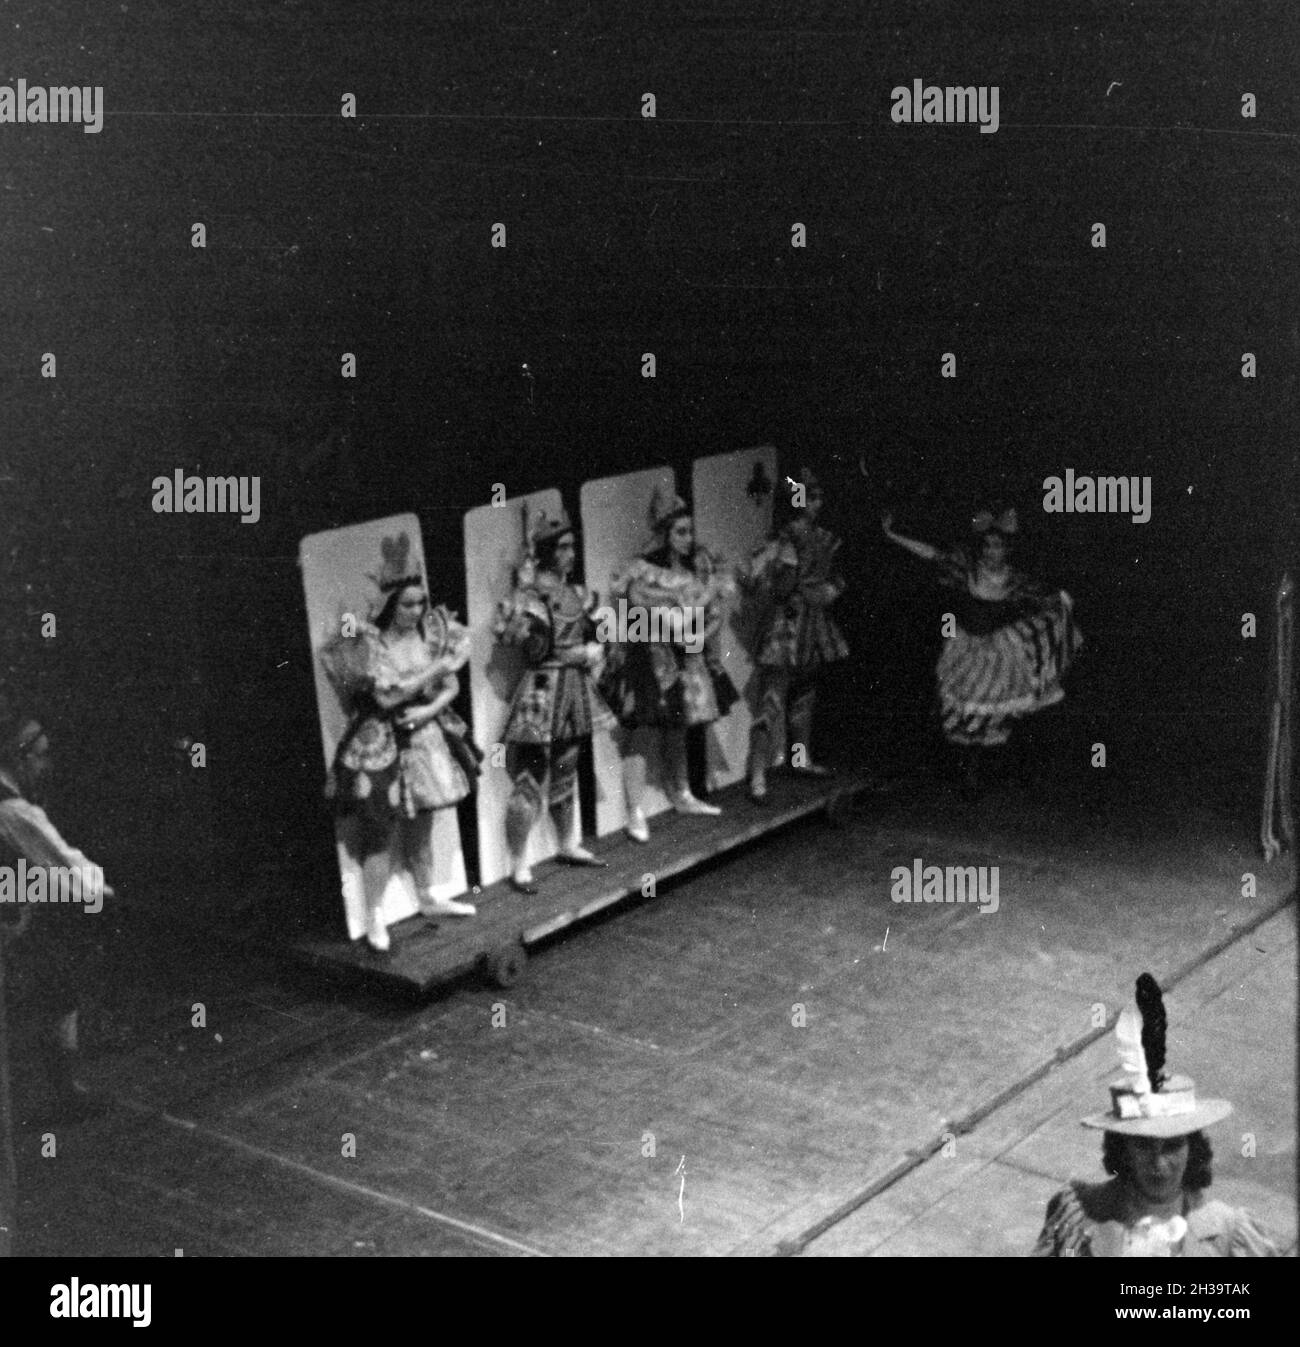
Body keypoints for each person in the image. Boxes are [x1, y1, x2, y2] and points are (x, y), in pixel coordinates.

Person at [1033, 974, 1285, 1257]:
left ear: (1193, 1147)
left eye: (1173, 1146)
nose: (1159, 1163)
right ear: (1123, 1148)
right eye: (1143, 1146)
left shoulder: (1229, 1231)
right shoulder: (1082, 1213)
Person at [323, 532, 478, 952]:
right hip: (381, 739)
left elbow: (450, 685)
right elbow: (388, 695)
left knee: (424, 817)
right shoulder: (371, 643)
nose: (416, 611)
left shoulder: (428, 636)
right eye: (408, 604)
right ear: (392, 604)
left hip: (423, 734)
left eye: (420, 603)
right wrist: (430, 676)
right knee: (379, 827)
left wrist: (429, 710)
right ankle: (374, 912)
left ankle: (426, 894)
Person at [881, 506, 1081, 795]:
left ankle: (984, 775)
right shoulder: (968, 569)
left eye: (997, 546)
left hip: (998, 650)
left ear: (1007, 550)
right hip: (964, 647)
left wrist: (1063, 603)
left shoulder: (1015, 580)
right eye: (987, 545)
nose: (991, 552)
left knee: (993, 714)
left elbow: (1047, 600)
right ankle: (966, 775)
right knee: (962, 712)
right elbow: (933, 554)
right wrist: (892, 535)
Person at [602, 486, 738, 842]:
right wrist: (705, 596)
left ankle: (681, 792)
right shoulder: (645, 573)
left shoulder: (693, 574)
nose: (688, 539)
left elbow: (708, 619)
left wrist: (705, 627)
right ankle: (634, 811)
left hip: (684, 655)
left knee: (680, 725)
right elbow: (668, 621)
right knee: (645, 729)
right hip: (652, 656)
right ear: (664, 534)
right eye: (680, 532)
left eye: (690, 531)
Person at [0, 709, 113, 1121]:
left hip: (17, 916)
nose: (46, 766)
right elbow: (65, 867)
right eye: (41, 756)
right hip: (9, 927)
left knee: (56, 990)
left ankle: (63, 1088)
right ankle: (62, 1093)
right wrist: (103, 893)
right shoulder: (13, 811)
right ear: (19, 756)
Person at [494, 509, 614, 893]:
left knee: (567, 767)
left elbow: (595, 629)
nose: (570, 553)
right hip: (544, 691)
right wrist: (579, 653)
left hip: (574, 690)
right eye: (562, 547)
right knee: (530, 776)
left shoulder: (575, 592)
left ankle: (566, 843)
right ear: (546, 552)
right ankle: (518, 861)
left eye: (572, 546)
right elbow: (536, 650)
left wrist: (597, 646)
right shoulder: (533, 595)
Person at [741, 467, 848, 802]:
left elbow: (836, 577)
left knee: (803, 696)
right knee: (774, 700)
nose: (815, 504)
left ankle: (799, 760)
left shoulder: (819, 537)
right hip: (789, 626)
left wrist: (827, 590)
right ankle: (758, 775)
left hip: (811, 622)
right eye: (809, 498)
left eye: (817, 498)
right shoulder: (789, 538)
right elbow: (780, 587)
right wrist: (802, 584)